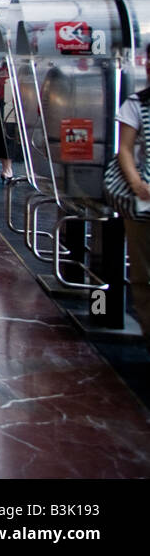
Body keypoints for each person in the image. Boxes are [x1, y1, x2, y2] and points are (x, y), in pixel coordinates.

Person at [114, 47, 150, 351]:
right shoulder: (138, 104)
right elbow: (124, 148)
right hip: (144, 199)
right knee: (143, 273)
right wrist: (137, 183)